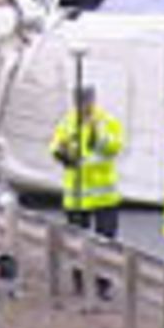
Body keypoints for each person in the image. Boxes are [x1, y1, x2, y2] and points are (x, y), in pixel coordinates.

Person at [49, 85, 125, 300]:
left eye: (87, 102)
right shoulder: (67, 122)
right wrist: (63, 153)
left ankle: (102, 284)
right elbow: (55, 147)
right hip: (77, 195)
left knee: (104, 242)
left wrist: (95, 132)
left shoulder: (106, 122)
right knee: (77, 242)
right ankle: (80, 282)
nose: (84, 106)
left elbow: (114, 147)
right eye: (80, 102)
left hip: (103, 195)